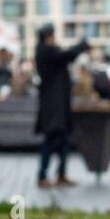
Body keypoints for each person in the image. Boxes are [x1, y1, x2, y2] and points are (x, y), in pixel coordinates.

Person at [33, 24, 88, 189]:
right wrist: (81, 44)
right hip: (53, 106)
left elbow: (65, 56)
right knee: (50, 140)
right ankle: (43, 175)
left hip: (59, 104)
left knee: (64, 141)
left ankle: (61, 174)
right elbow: (68, 54)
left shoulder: (48, 50)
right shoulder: (45, 51)